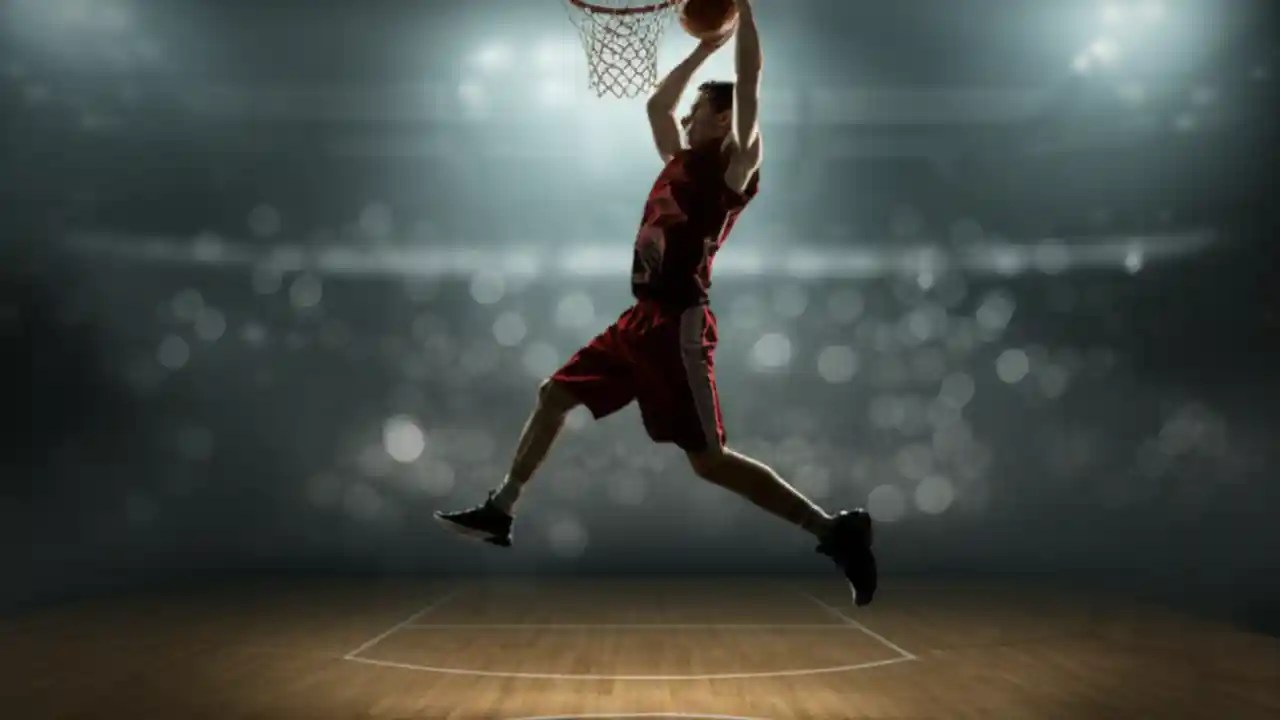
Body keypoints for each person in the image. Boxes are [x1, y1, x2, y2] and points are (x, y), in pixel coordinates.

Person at [435, 0, 876, 606]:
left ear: (721, 121)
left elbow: (750, 84)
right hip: (638, 319)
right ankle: (501, 510)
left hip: (679, 322)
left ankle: (834, 533)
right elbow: (655, 105)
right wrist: (701, 49)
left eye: (700, 110)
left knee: (710, 462)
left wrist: (742, 13)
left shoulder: (733, 167)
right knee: (553, 394)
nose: (687, 116)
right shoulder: (678, 160)